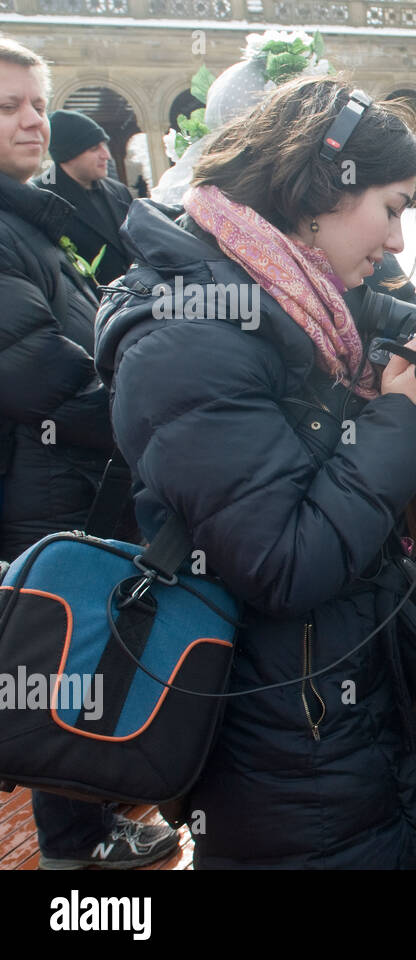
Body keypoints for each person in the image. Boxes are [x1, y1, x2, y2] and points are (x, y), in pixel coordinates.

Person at [95, 76, 416, 868]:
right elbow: (283, 560)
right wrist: (408, 415)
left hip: (332, 710)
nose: (396, 240)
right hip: (281, 744)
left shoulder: (296, 294)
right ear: (319, 193)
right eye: (391, 208)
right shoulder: (189, 335)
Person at [0, 37, 179, 871]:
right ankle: (77, 844)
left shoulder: (27, 213)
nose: (32, 120)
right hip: (39, 482)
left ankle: (95, 818)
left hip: (70, 474)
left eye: (37, 102)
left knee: (85, 644)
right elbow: (39, 377)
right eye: (9, 106)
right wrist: (144, 400)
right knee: (63, 655)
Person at [35, 110, 134, 284]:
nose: (106, 155)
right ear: (68, 155)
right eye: (94, 148)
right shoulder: (41, 197)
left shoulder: (119, 191)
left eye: (104, 145)